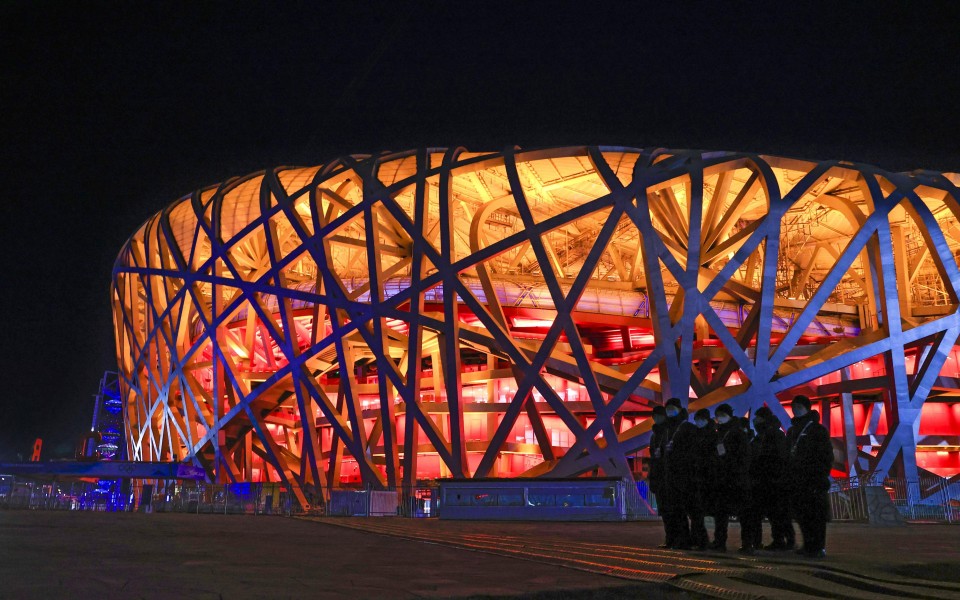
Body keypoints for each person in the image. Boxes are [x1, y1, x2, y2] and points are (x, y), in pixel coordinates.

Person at [785, 395, 833, 558]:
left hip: (813, 479)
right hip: (796, 480)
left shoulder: (817, 429)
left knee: (816, 516)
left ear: (806, 407)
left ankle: (818, 547)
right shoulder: (792, 431)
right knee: (801, 515)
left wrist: (820, 475)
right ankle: (807, 544)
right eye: (793, 406)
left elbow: (826, 455)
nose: (795, 409)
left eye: (798, 406)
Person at [743, 405, 794, 551]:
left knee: (778, 513)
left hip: (773, 480)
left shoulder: (773, 435)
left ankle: (785, 540)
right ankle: (780, 540)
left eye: (758, 418)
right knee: (774, 513)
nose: (755, 421)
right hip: (764, 480)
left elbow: (777, 457)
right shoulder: (762, 436)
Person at [709, 403, 751, 553]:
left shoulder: (737, 432)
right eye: (717, 416)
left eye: (722, 415)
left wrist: (736, 470)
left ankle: (747, 544)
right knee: (721, 513)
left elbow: (744, 456)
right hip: (722, 479)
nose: (719, 418)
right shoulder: (719, 433)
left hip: (736, 479)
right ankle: (719, 542)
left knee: (743, 513)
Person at [660, 397, 698, 549]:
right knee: (674, 510)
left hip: (685, 476)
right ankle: (677, 540)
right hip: (671, 476)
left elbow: (692, 452)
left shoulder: (687, 428)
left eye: (672, 409)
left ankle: (690, 540)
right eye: (668, 409)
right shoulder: (667, 429)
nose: (670, 412)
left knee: (688, 510)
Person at [689, 408, 716, 550]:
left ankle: (703, 540)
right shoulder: (696, 435)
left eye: (700, 419)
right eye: (696, 419)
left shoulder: (712, 435)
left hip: (706, 479)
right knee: (695, 512)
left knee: (699, 512)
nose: (698, 422)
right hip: (696, 478)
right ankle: (699, 539)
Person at [647, 406, 671, 547]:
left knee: (671, 510)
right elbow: (653, 458)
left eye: (659, 416)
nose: (656, 418)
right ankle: (670, 539)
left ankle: (675, 539)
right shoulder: (654, 436)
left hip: (667, 477)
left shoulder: (668, 433)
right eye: (654, 416)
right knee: (665, 511)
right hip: (659, 477)